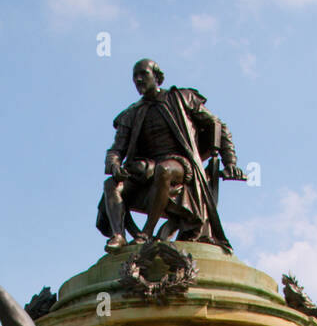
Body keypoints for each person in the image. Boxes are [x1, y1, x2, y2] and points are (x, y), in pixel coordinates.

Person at [97, 59, 246, 252]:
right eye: (135, 77)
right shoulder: (131, 114)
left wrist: (230, 162)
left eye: (144, 74)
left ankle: (147, 233)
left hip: (180, 163)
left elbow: (218, 126)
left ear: (157, 77)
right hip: (147, 167)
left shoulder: (182, 98)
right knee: (111, 185)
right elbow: (116, 150)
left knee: (164, 169)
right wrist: (114, 165)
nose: (139, 80)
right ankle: (118, 236)